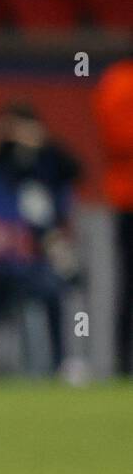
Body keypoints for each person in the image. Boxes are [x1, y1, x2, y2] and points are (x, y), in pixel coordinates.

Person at [0, 101, 82, 383]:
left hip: (32, 263)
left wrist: (43, 144)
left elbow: (74, 172)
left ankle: (63, 361)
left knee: (54, 283)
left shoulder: (46, 164)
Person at [92, 56, 133, 375]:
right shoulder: (118, 81)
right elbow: (118, 136)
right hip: (128, 200)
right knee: (128, 283)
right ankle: (124, 362)